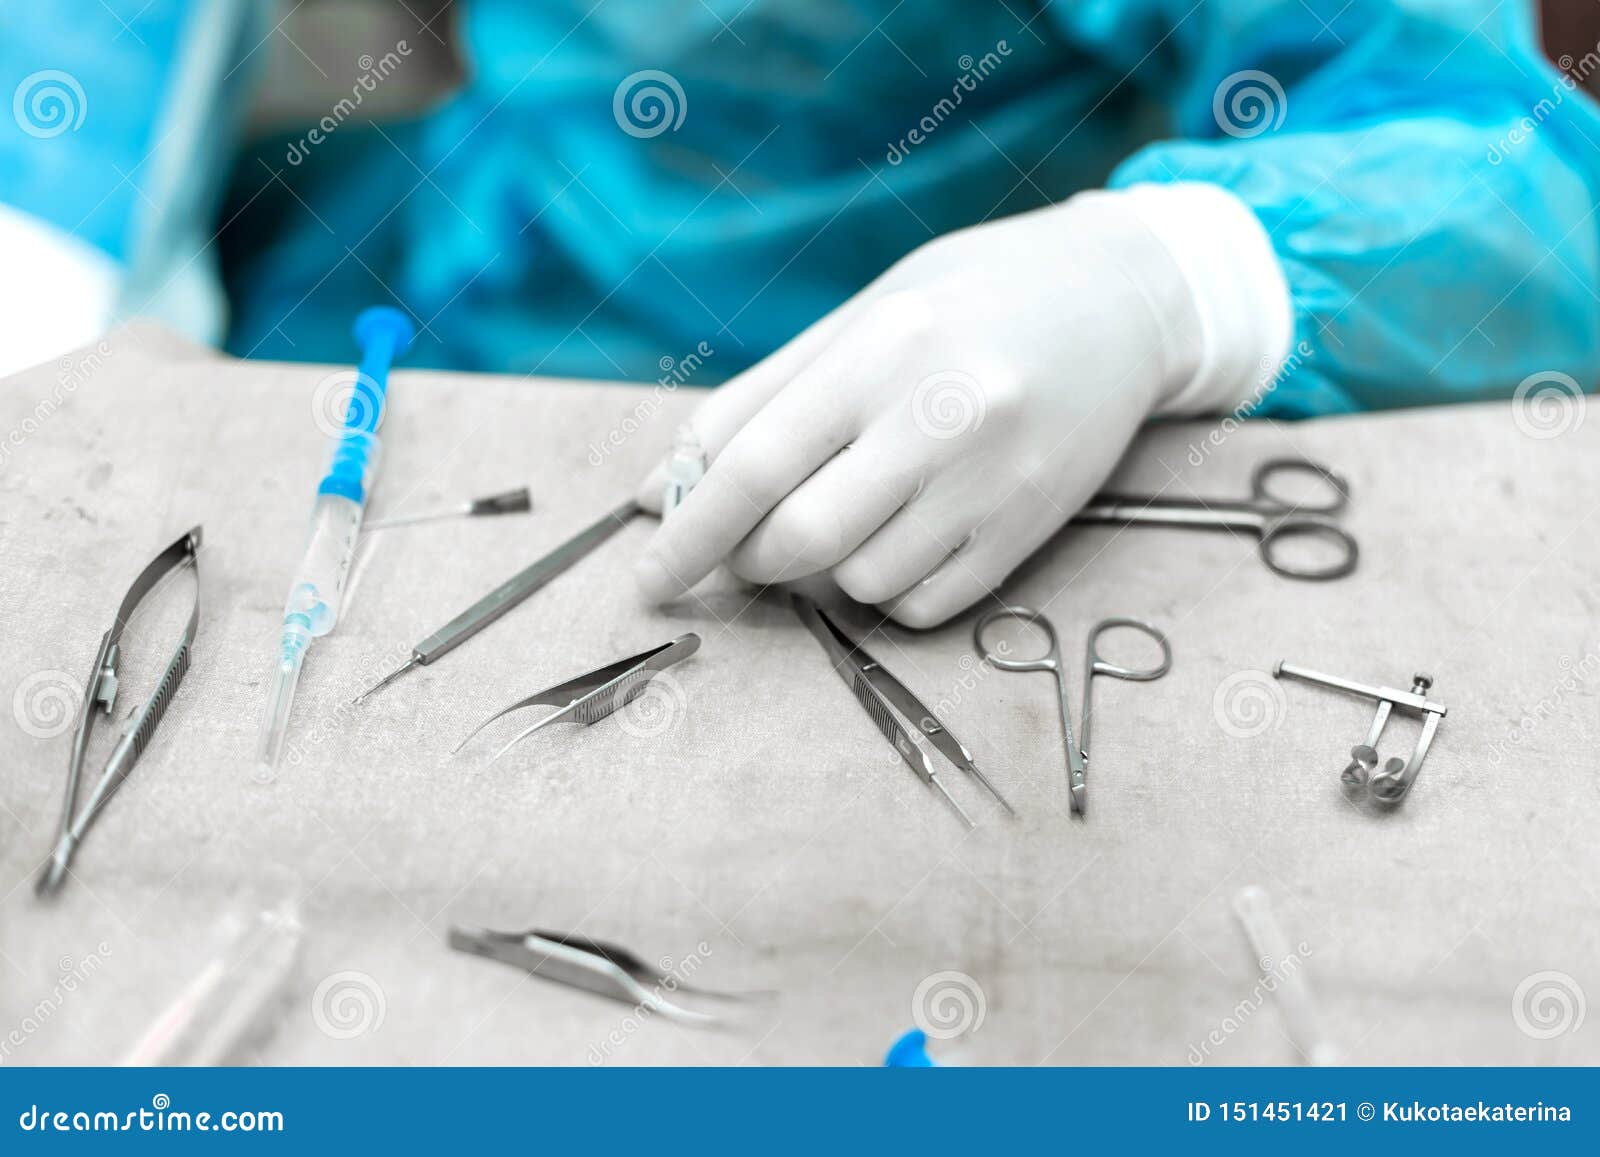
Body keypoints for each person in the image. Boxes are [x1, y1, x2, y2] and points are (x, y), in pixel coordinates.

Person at [4, 2, 1597, 626]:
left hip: (895, 373)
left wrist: (1177, 275)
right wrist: (46, 253)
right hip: (431, 247)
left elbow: (1526, 189)